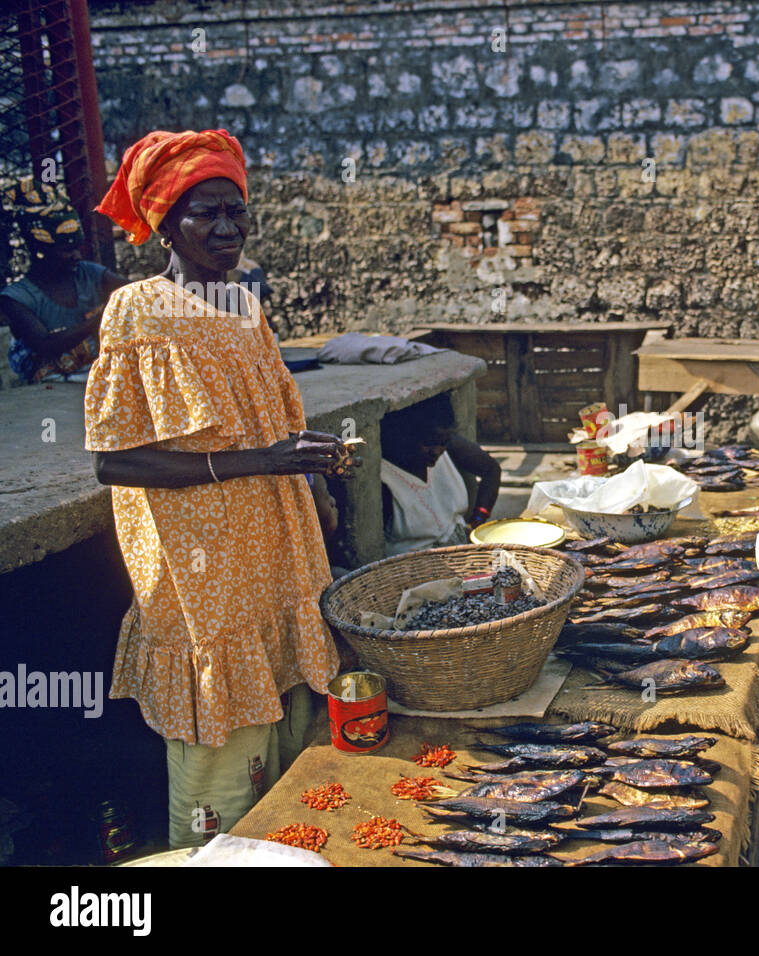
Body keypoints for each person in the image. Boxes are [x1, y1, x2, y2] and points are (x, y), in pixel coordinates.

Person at [85, 128, 357, 848]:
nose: (227, 228)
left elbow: (272, 423)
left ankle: (292, 849)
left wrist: (314, 476)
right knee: (221, 747)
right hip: (201, 563)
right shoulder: (139, 309)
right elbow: (114, 461)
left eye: (236, 211)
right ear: (166, 223)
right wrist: (257, 464)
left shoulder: (243, 306)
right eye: (206, 213)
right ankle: (219, 856)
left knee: (293, 715)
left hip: (275, 544)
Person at [0, 179, 126, 383]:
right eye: (67, 250)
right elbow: (45, 345)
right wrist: (104, 317)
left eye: (77, 247)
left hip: (97, 379)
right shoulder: (17, 298)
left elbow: (134, 291)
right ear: (39, 250)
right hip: (50, 389)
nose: (76, 255)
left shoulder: (89, 274)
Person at [379, 392, 501, 555]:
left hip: (461, 553)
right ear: (408, 437)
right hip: (413, 568)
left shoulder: (445, 446)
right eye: (428, 443)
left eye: (443, 443)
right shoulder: (386, 480)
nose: (437, 451)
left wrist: (478, 521)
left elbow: (491, 469)